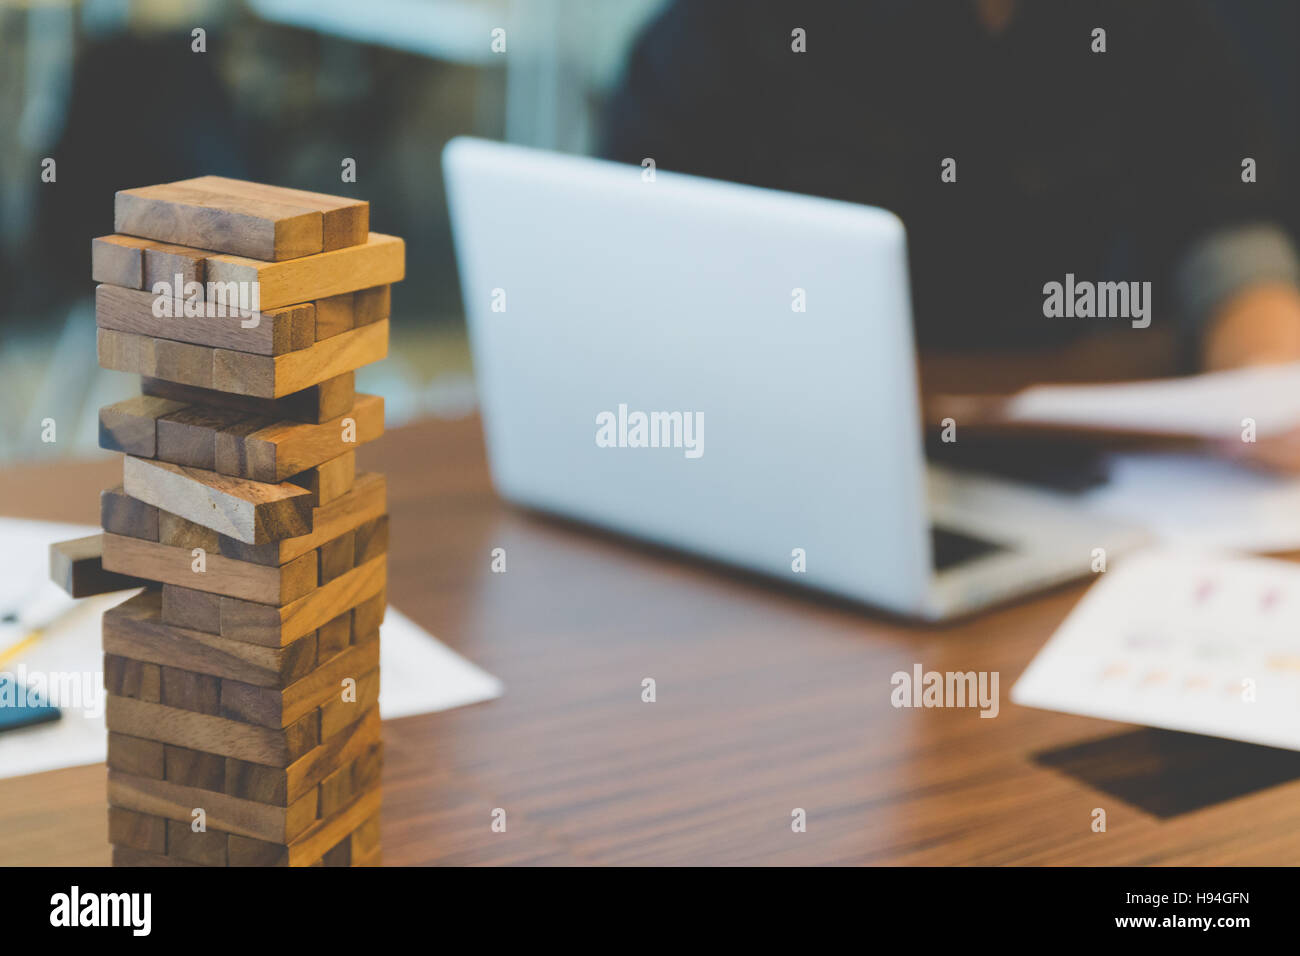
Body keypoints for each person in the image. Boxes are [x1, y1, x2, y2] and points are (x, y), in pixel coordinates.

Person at [602, 0, 1300, 374]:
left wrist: (1267, 366)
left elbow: (1228, 230)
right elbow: (630, 260)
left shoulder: (1156, 24)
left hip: (1064, 452)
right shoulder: (727, 30)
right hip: (787, 440)